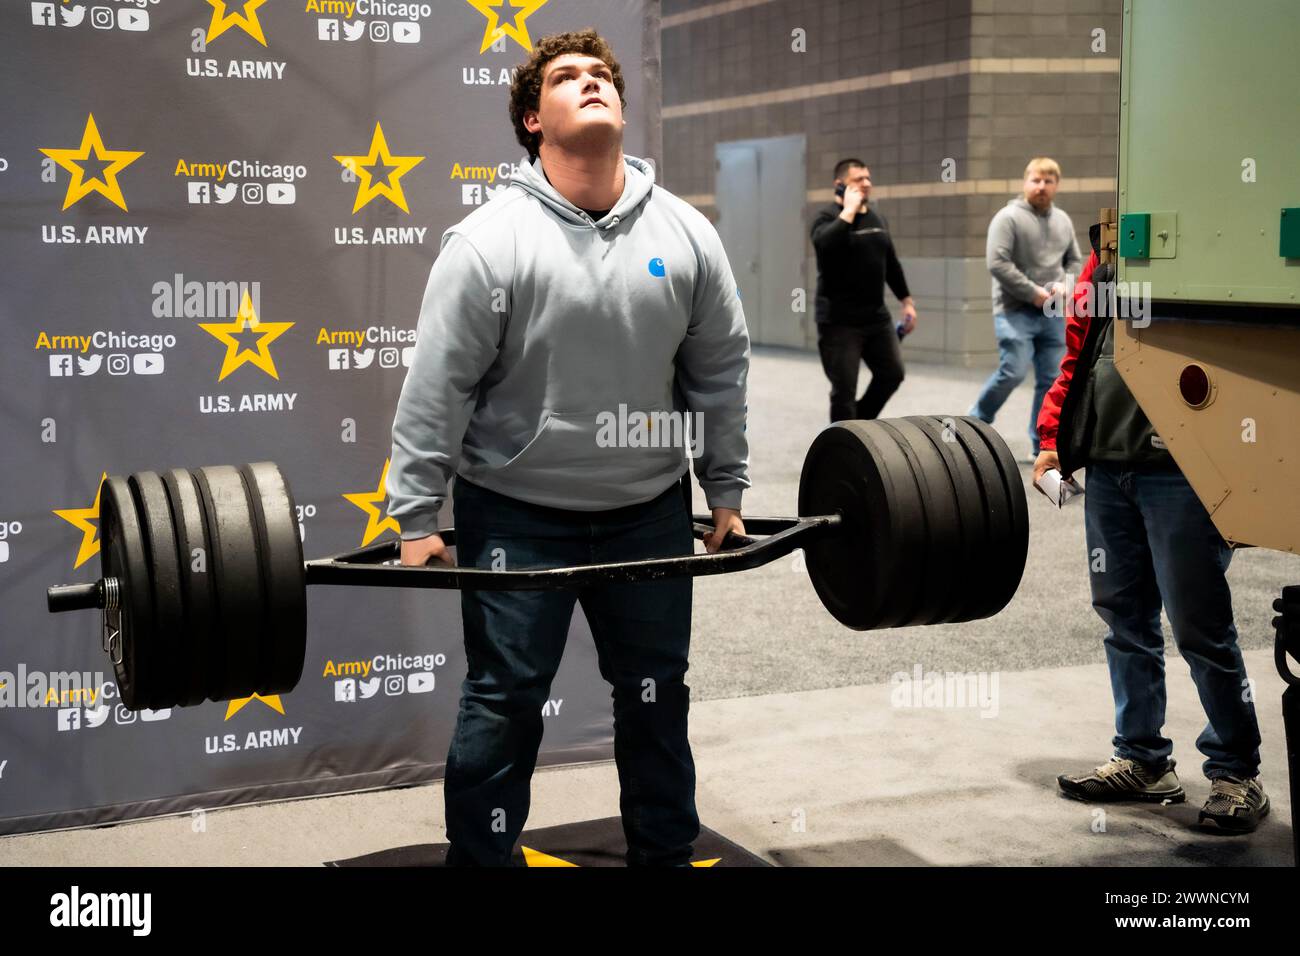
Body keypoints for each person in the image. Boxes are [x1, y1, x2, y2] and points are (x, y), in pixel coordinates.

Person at [385, 28, 750, 866]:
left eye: (602, 76)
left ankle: (664, 856)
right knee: (504, 700)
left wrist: (724, 493)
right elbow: (436, 388)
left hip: (648, 511)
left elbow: (719, 376)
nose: (591, 84)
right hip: (517, 515)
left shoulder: (688, 235)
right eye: (566, 77)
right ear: (530, 118)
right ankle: (481, 861)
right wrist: (414, 516)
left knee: (655, 698)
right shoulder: (489, 242)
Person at [1038, 229, 1268, 833]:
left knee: (1199, 624)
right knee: (1122, 615)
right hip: (1111, 464)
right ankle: (1143, 760)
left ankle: (1236, 772)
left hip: (1186, 471)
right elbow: (1079, 350)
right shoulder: (1108, 253)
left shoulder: (1209, 238)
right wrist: (1052, 438)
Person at [970, 158, 1082, 456]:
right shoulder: (1007, 217)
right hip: (1014, 309)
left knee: (1050, 379)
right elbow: (997, 262)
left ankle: (1040, 443)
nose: (1041, 186)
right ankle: (975, 422)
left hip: (1052, 312)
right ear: (1025, 182)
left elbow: (1075, 261)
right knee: (1014, 371)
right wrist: (1034, 293)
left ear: (1056, 185)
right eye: (1035, 180)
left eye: (1048, 181)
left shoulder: (1063, 221)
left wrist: (1065, 285)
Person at [809, 159, 917, 422]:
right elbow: (824, 246)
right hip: (839, 322)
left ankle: (856, 428)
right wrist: (848, 211)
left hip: (875, 318)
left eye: (868, 178)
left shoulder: (877, 218)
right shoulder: (825, 219)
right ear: (840, 185)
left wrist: (906, 300)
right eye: (858, 180)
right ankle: (839, 455)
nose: (867, 183)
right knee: (844, 391)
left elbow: (890, 263)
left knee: (892, 374)